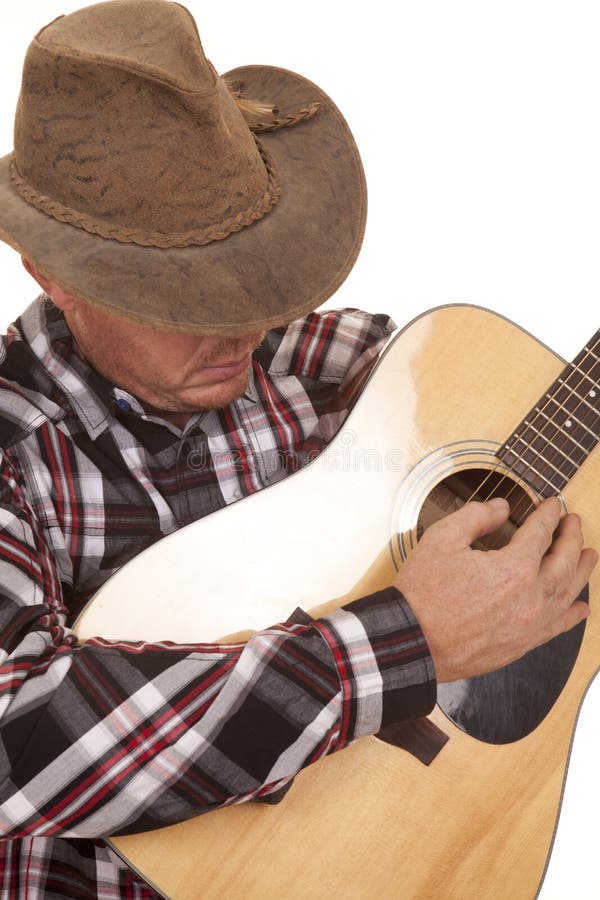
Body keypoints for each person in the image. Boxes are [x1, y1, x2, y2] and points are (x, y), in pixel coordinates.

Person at [0, 1, 595, 897]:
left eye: (253, 270)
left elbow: (525, 427)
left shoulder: (339, 366)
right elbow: (16, 745)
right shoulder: (12, 447)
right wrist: (409, 639)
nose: (242, 325)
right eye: (183, 296)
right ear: (53, 274)